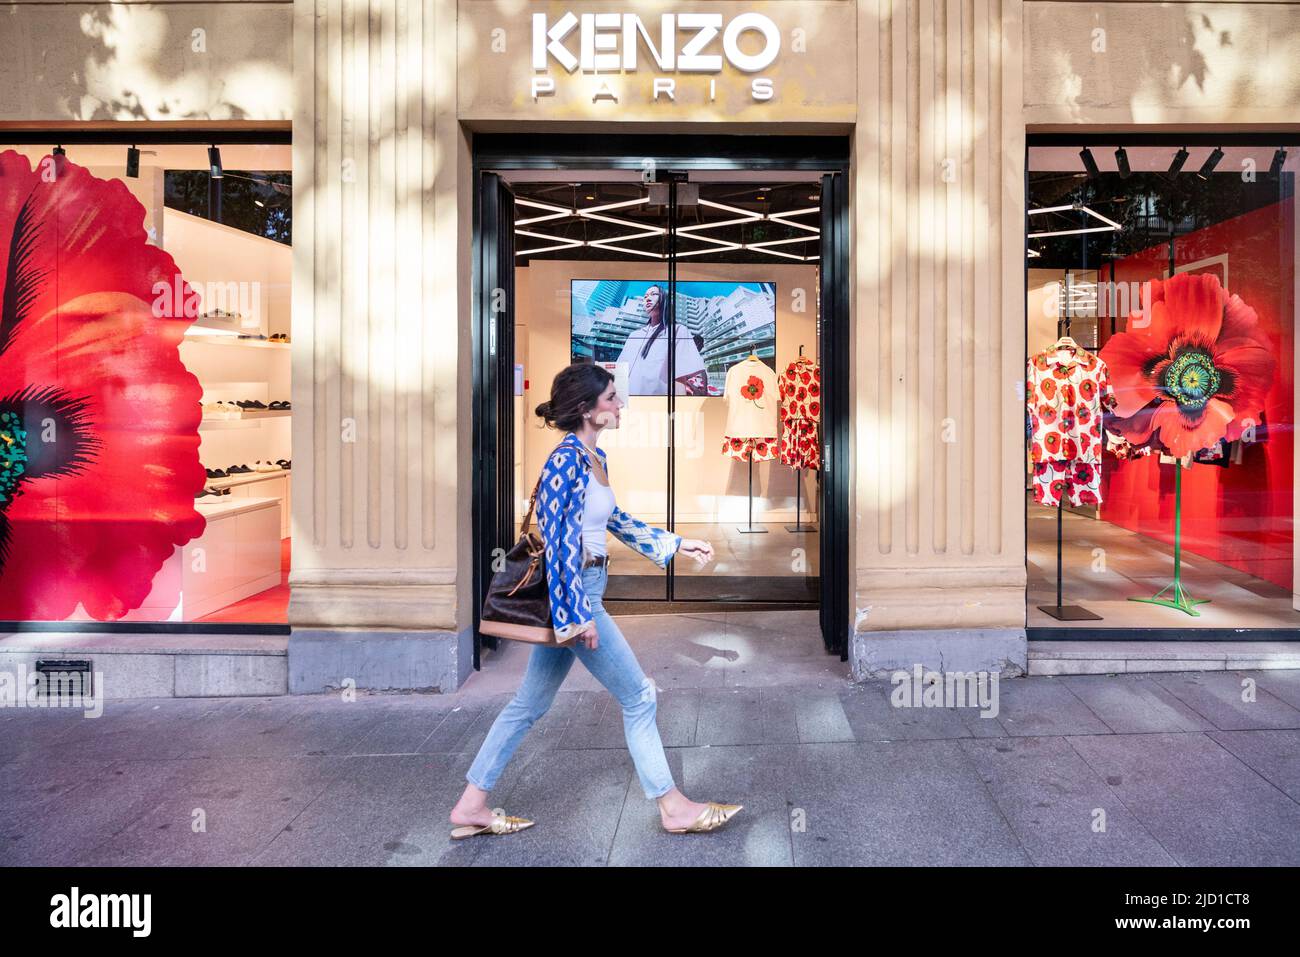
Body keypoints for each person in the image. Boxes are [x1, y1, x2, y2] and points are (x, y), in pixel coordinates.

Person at [449, 363, 744, 837]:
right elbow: (560, 542)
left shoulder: (591, 458)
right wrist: (577, 616)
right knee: (639, 695)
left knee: (527, 706)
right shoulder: (566, 460)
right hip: (578, 597)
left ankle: (471, 806)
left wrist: (674, 543)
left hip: (581, 595)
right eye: (611, 398)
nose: (620, 404)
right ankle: (673, 808)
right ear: (587, 410)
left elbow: (614, 519)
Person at [614, 284, 708, 395]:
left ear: (664, 300)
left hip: (657, 406)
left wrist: (678, 410)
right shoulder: (634, 335)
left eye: (653, 294)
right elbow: (619, 372)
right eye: (645, 296)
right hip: (626, 405)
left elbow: (679, 379)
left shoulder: (678, 331)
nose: (647, 298)